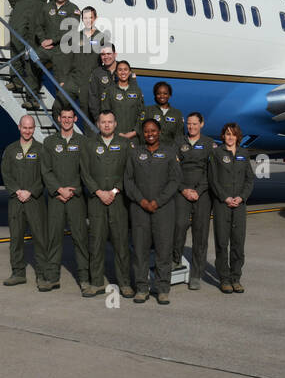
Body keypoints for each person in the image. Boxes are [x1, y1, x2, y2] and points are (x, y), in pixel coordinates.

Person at [41, 107, 99, 296]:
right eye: (63, 117)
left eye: (69, 117)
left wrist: (76, 191)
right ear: (58, 119)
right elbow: (45, 170)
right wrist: (58, 189)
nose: (66, 120)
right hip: (56, 198)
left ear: (75, 119)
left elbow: (87, 171)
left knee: (80, 239)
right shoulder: (49, 142)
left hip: (76, 198)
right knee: (54, 238)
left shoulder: (83, 142)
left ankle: (84, 279)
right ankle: (51, 277)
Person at [124, 119, 182, 304]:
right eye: (147, 131)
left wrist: (158, 201)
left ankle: (162, 289)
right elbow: (128, 181)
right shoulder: (135, 153)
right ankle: (142, 288)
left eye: (153, 131)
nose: (150, 134)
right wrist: (141, 200)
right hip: (139, 209)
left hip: (163, 210)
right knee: (140, 251)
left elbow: (175, 180)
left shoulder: (169, 152)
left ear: (159, 132)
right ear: (142, 133)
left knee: (163, 251)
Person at [81, 110, 133, 297]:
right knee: (96, 242)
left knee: (121, 244)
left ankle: (125, 283)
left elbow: (129, 171)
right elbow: (85, 172)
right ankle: (96, 283)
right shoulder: (89, 144)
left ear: (116, 123)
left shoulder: (125, 144)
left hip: (117, 200)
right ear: (98, 124)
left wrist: (113, 191)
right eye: (103, 122)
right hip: (96, 200)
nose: (107, 125)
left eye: (110, 122)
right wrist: (98, 191)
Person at [1, 115, 49, 289]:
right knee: (16, 238)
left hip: (34, 200)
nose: (27, 131)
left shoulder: (41, 150)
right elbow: (6, 174)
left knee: (40, 238)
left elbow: (45, 175)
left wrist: (31, 191)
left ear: (34, 129)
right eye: (24, 127)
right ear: (19, 127)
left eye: (30, 128)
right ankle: (18, 273)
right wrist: (17, 190)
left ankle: (42, 275)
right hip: (16, 200)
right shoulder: (11, 150)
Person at [208, 122, 255, 294]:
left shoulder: (244, 153)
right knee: (222, 242)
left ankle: (236, 278)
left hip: (239, 205)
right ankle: (224, 279)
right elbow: (213, 179)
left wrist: (242, 197)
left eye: (233, 134)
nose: (230, 137)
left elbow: (249, 179)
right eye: (227, 134)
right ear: (223, 136)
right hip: (222, 204)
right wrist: (225, 197)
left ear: (237, 137)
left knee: (238, 243)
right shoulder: (216, 153)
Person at [4, 0, 55, 94]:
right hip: (20, 13)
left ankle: (33, 86)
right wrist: (18, 6)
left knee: (34, 49)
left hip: (38, 15)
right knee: (16, 45)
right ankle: (16, 80)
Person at [174, 111, 216, 290]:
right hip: (182, 190)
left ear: (202, 124)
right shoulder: (178, 142)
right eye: (189, 124)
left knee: (200, 233)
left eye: (195, 124)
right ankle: (175, 260)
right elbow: (174, 169)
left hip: (202, 193)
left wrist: (198, 190)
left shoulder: (208, 144)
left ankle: (196, 274)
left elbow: (210, 172)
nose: (191, 127)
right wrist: (183, 189)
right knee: (179, 225)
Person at [37, 0, 82, 112]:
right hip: (47, 48)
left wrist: (52, 40)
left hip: (64, 52)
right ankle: (33, 93)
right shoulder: (46, 7)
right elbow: (38, 26)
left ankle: (62, 114)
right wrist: (42, 40)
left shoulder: (73, 9)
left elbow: (70, 30)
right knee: (31, 59)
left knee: (62, 87)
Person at [67, 7, 108, 123]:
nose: (88, 20)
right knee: (60, 105)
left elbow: (107, 59)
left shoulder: (102, 37)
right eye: (85, 18)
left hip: (91, 82)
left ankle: (89, 140)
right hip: (75, 79)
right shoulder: (75, 37)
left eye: (91, 17)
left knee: (87, 113)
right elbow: (67, 59)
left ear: (95, 18)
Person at [102, 60, 144, 142]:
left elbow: (142, 113)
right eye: (120, 70)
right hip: (114, 136)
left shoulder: (137, 91)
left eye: (125, 69)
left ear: (129, 72)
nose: (123, 72)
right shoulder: (109, 91)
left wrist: (134, 132)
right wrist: (116, 132)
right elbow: (104, 114)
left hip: (133, 137)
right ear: (116, 73)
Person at [83, 43, 118, 126]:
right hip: (104, 121)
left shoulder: (124, 69)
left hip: (122, 118)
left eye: (109, 54)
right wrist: (98, 119)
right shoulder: (96, 73)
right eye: (103, 54)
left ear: (115, 54)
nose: (106, 57)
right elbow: (93, 98)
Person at [146, 81, 184, 149]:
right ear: (155, 95)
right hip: (150, 152)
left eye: (165, 93)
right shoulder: (148, 110)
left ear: (170, 95)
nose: (162, 96)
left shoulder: (177, 113)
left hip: (170, 153)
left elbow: (179, 137)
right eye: (158, 93)